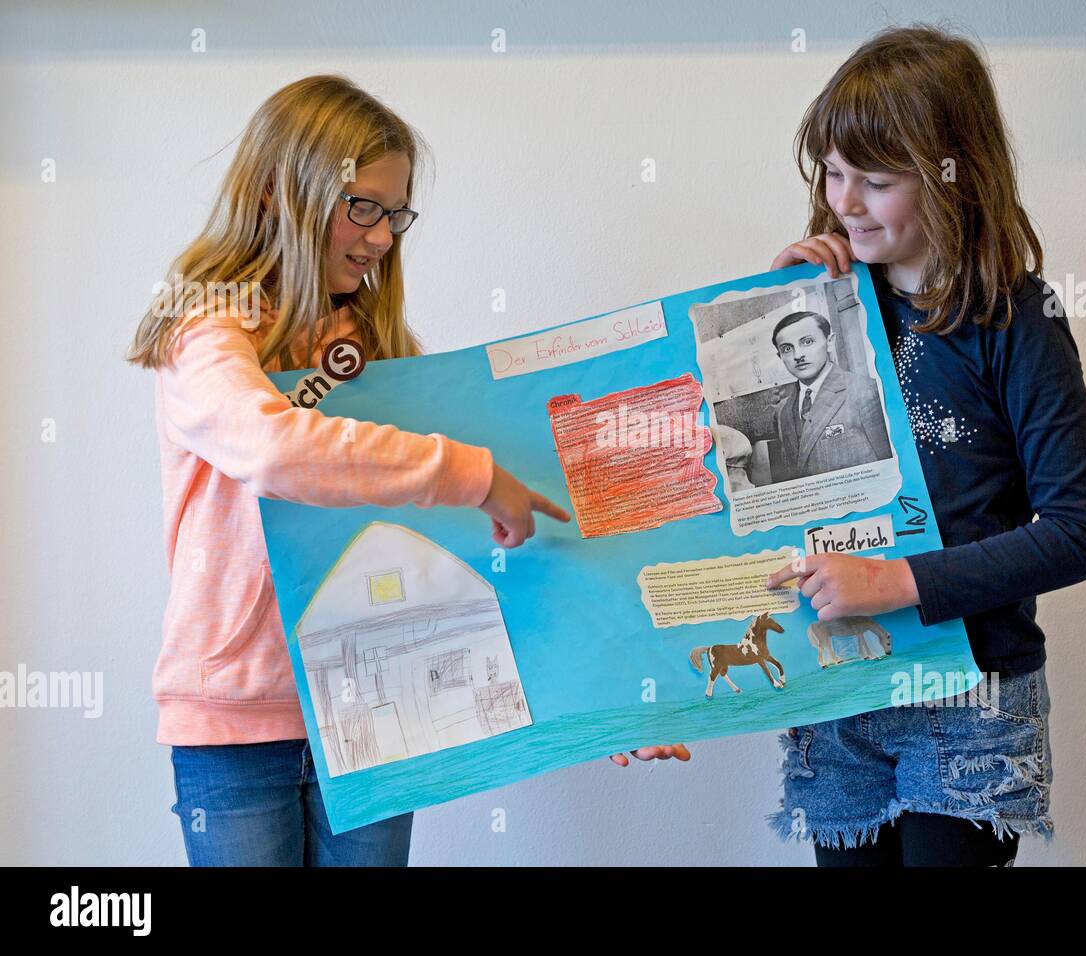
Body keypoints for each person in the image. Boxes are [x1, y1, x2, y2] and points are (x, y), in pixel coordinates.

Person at [126, 75, 680, 865]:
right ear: (285, 192)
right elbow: (275, 449)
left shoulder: (378, 351)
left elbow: (469, 553)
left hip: (380, 714)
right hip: (237, 720)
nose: (384, 238)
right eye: (364, 207)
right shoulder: (208, 332)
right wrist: (473, 473)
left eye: (395, 214)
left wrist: (597, 703)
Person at [763, 25, 1086, 866]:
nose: (845, 201)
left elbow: (1082, 531)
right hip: (841, 690)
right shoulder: (831, 307)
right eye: (834, 173)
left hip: (972, 699)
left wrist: (896, 582)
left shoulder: (1020, 319)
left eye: (875, 181)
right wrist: (773, 301)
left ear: (956, 178)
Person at [768, 310, 891, 480]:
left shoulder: (865, 391)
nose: (798, 355)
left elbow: (892, 466)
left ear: (830, 342)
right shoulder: (782, 412)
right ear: (780, 356)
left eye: (807, 342)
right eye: (787, 349)